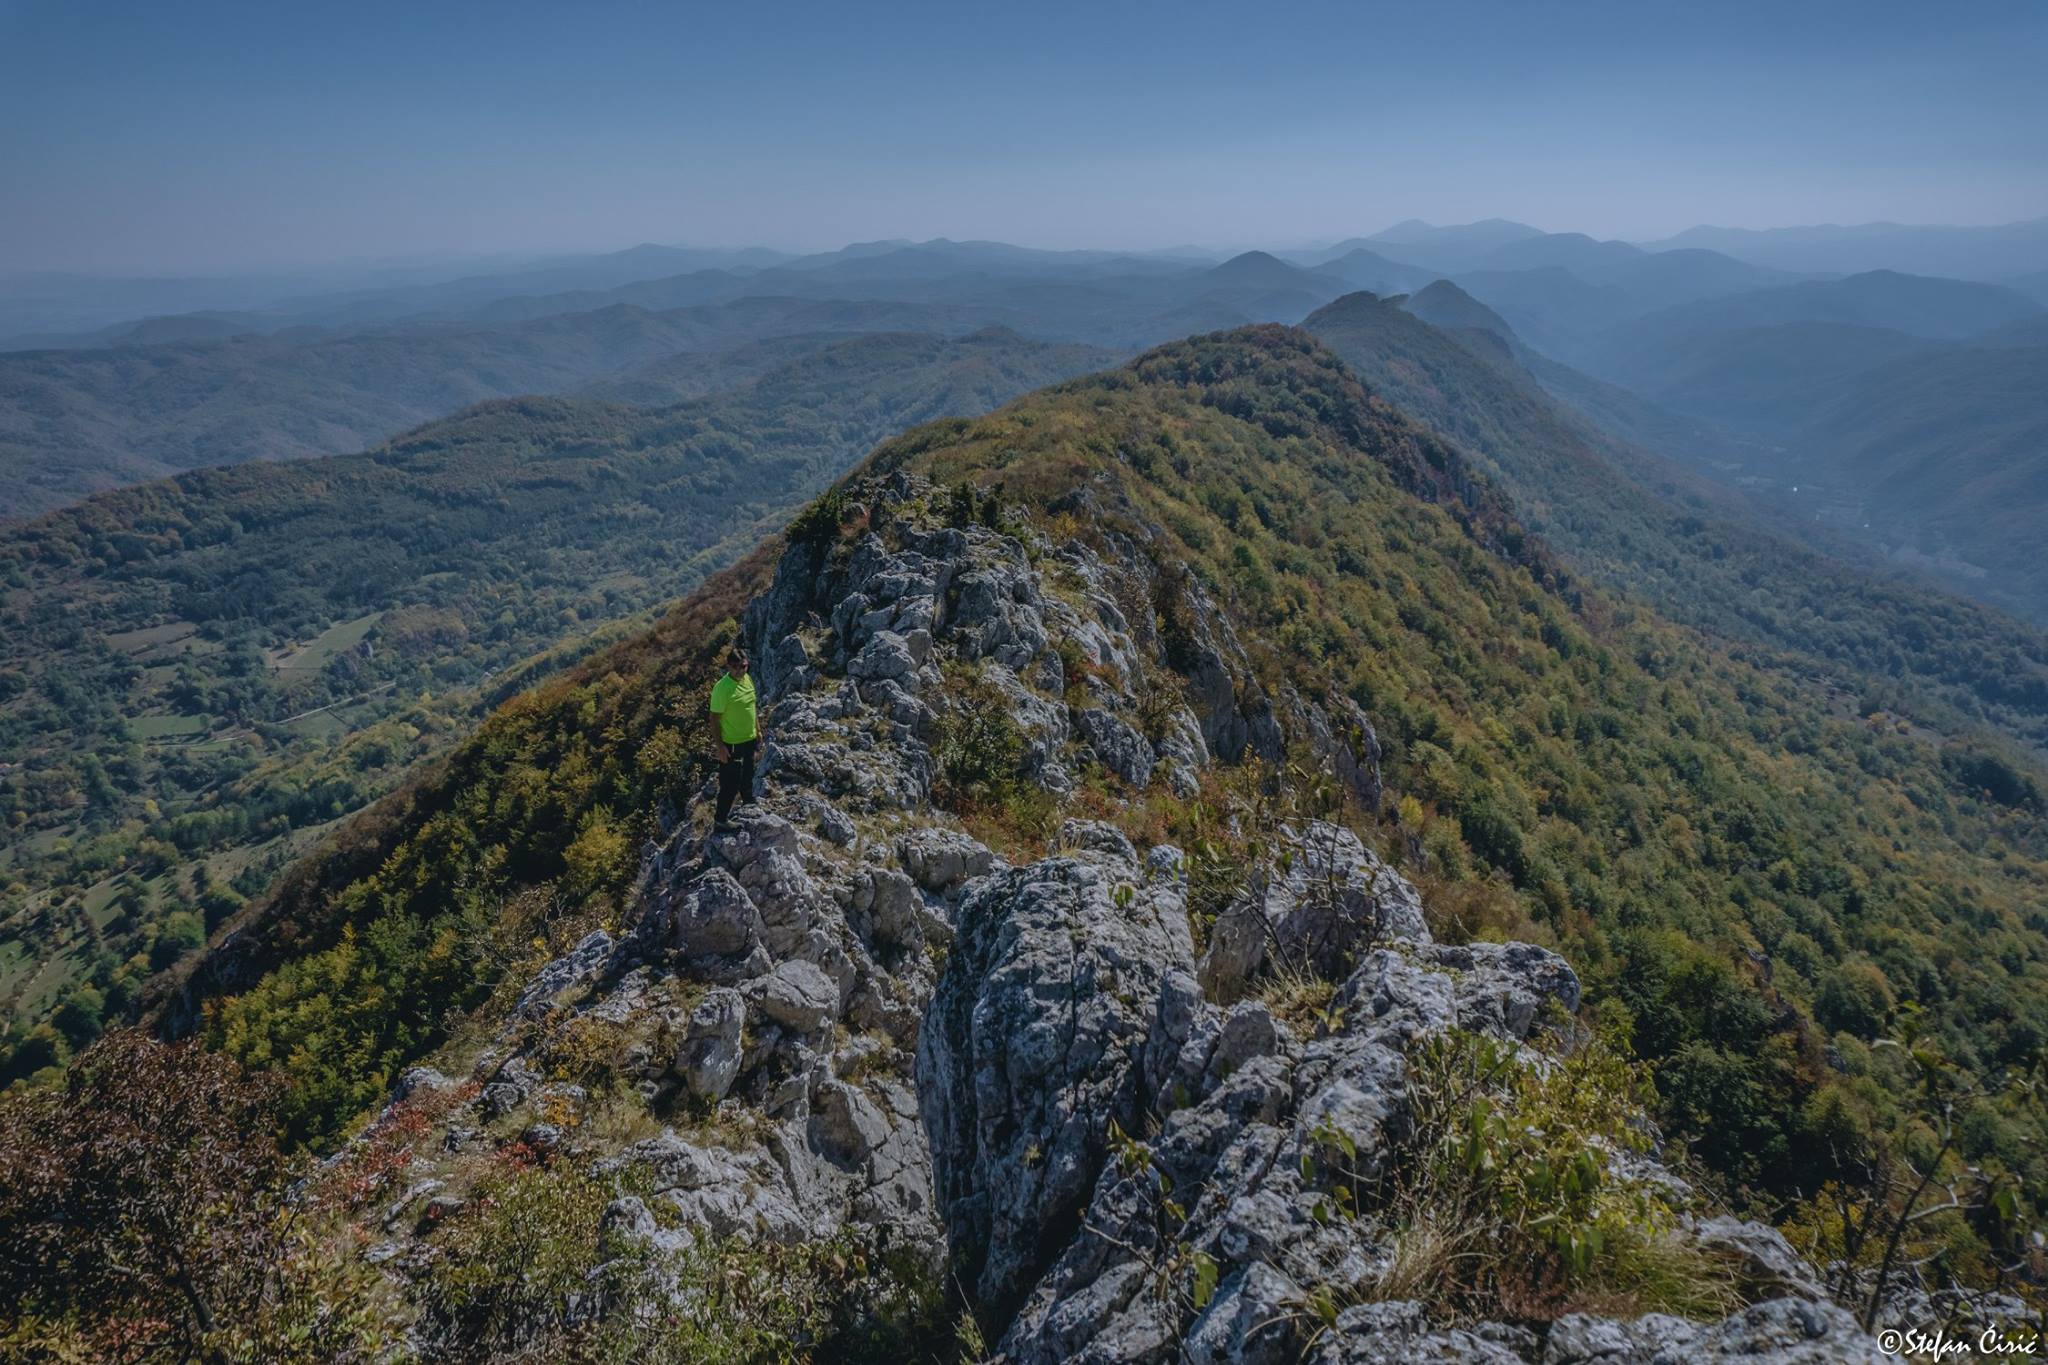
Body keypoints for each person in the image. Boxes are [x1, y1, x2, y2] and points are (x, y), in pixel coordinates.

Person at [708, 645, 761, 830]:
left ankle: (749, 802)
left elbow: (752, 707)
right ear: (728, 667)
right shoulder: (722, 688)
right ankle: (721, 820)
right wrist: (720, 746)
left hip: (749, 738)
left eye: (744, 666)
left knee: (748, 773)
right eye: (736, 667)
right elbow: (714, 719)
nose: (741, 670)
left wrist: (758, 730)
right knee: (730, 783)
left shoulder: (747, 679)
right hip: (731, 743)